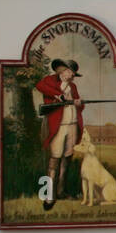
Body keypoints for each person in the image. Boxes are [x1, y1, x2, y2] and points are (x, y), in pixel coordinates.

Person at [36, 58, 84, 210]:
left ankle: (61, 191)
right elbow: (40, 86)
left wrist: (78, 103)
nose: (70, 75)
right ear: (61, 70)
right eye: (69, 71)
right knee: (54, 160)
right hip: (59, 127)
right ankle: (50, 196)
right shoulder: (50, 81)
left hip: (72, 125)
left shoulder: (73, 86)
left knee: (67, 158)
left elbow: (79, 106)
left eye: (72, 73)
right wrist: (59, 95)